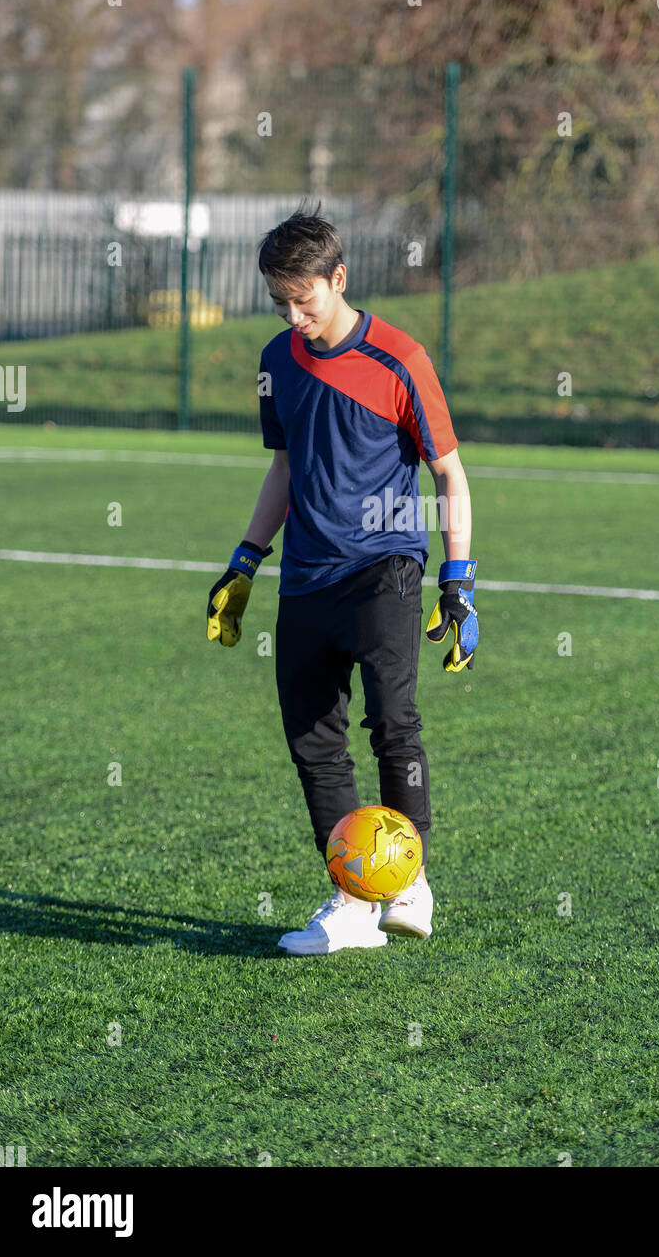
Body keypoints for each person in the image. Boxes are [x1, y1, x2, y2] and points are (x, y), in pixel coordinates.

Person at [207, 202, 479, 955]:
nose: (293, 315)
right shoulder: (276, 362)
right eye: (279, 302)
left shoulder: (401, 358)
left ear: (339, 278)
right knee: (312, 741)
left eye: (305, 298)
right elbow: (285, 467)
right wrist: (245, 560)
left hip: (385, 568)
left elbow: (449, 474)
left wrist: (458, 581)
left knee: (393, 720)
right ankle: (353, 902)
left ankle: (409, 879)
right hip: (306, 576)